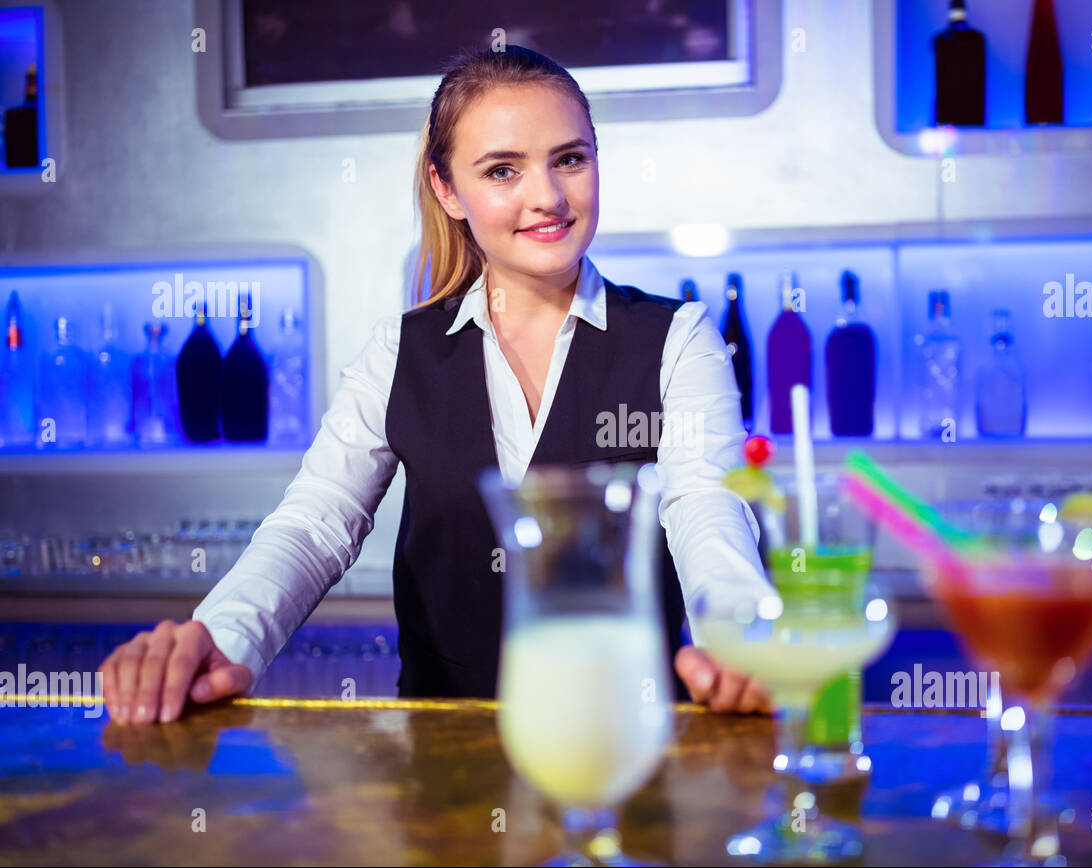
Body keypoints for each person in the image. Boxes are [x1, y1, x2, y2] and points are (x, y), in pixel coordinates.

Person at [99, 45, 775, 724]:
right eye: (503, 170)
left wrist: (739, 634)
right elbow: (315, 523)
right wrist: (224, 636)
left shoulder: (677, 339)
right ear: (448, 189)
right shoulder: (401, 351)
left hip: (627, 750)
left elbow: (705, 504)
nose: (547, 196)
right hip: (443, 762)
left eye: (569, 158)